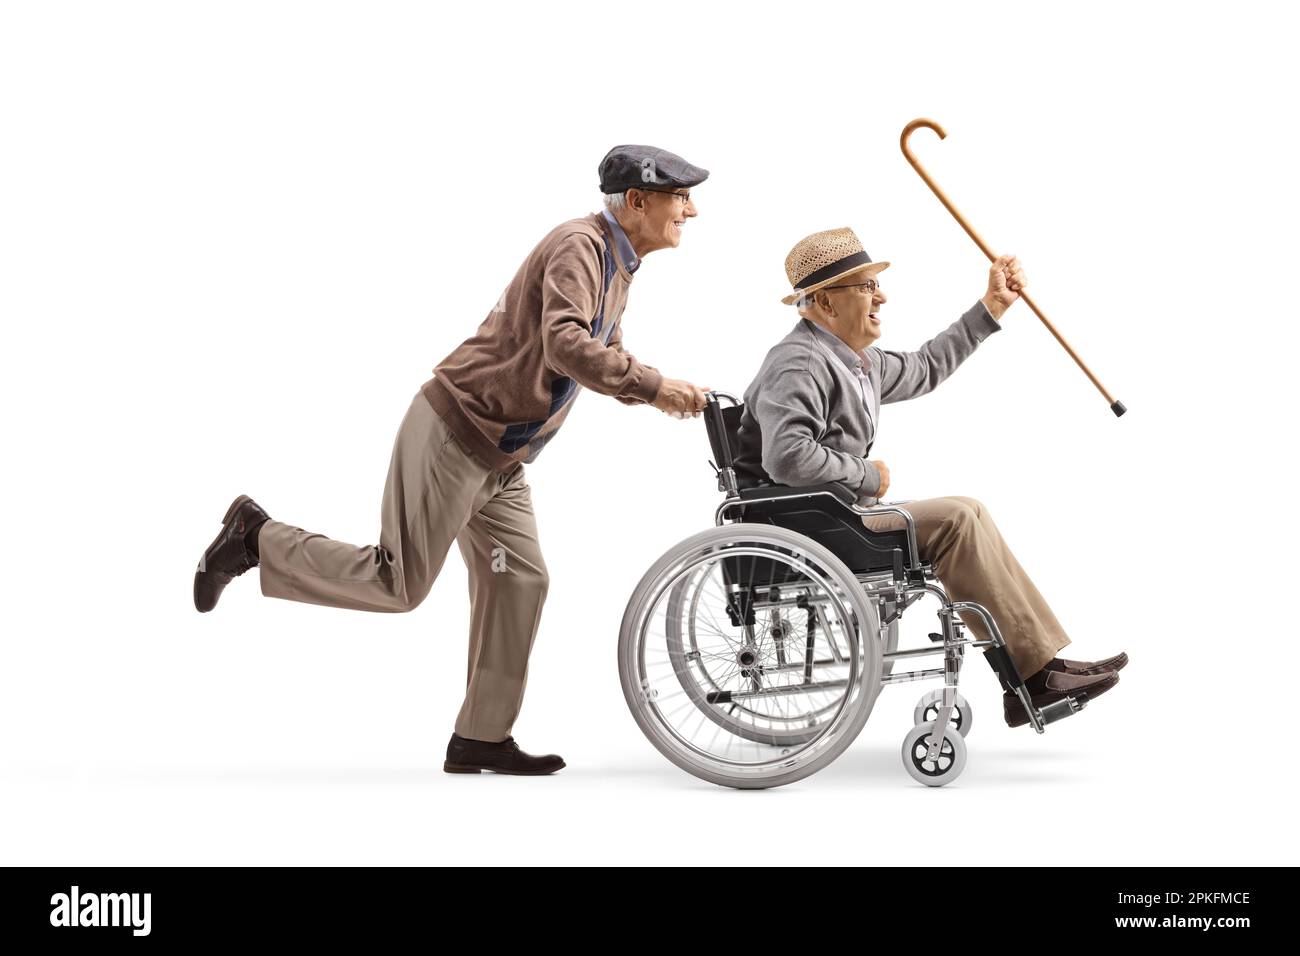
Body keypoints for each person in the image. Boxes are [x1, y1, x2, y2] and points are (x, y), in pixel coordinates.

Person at [193, 145, 711, 770]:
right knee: (398, 582)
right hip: (455, 431)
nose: (693, 209)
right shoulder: (581, 245)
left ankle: (481, 738)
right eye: (681, 197)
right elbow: (567, 343)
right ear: (637, 200)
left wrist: (653, 392)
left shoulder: (617, 264)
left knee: (521, 577)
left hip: (502, 454)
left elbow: (597, 348)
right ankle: (255, 539)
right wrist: (655, 386)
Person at [733, 227, 1127, 727]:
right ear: (826, 303)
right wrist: (866, 476)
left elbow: (926, 366)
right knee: (959, 517)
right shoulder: (801, 363)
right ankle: (1032, 675)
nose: (881, 295)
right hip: (807, 527)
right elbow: (786, 459)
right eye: (865, 286)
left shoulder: (855, 362)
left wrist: (992, 307)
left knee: (970, 510)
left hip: (836, 518)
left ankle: (1036, 670)